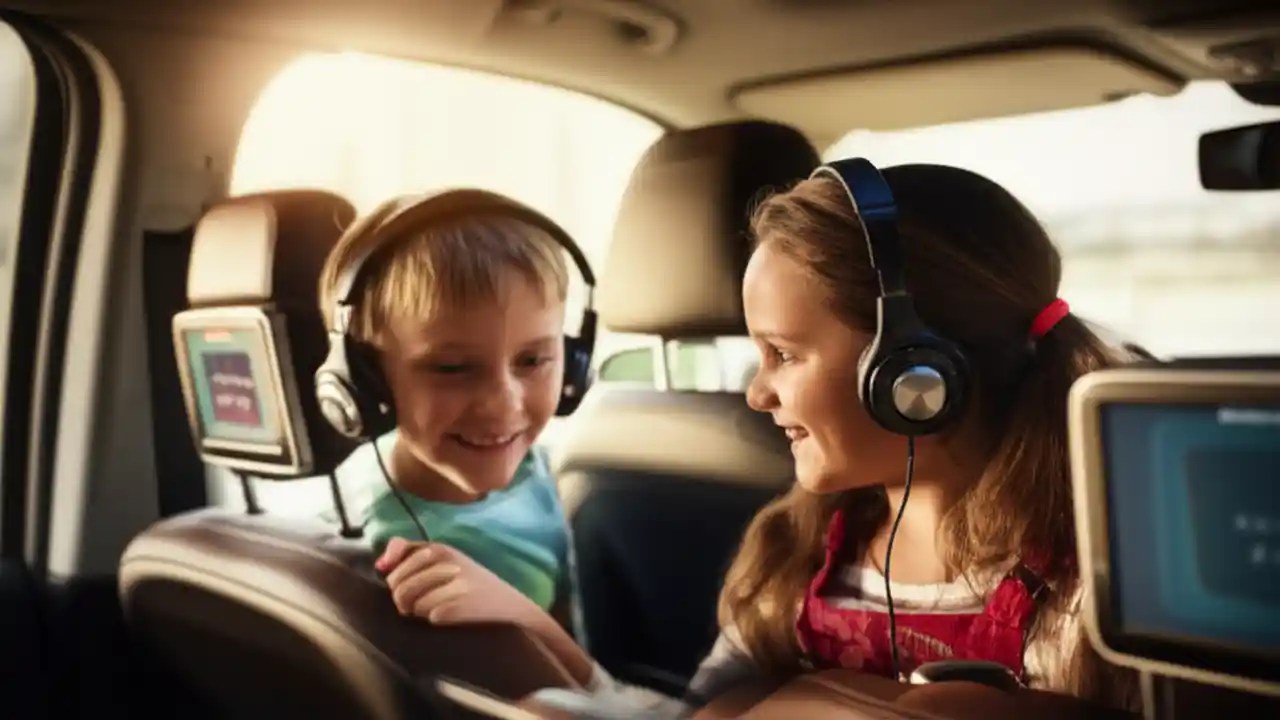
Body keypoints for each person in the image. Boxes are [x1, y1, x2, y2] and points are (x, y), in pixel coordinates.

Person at [418, 162, 1140, 715]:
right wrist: (544, 650)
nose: (755, 393)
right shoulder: (800, 552)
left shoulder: (1086, 594)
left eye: (784, 355)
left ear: (914, 372)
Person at [317, 191, 587, 650]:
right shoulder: (387, 555)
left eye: (533, 359)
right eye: (452, 368)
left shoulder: (543, 468)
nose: (504, 403)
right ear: (366, 383)